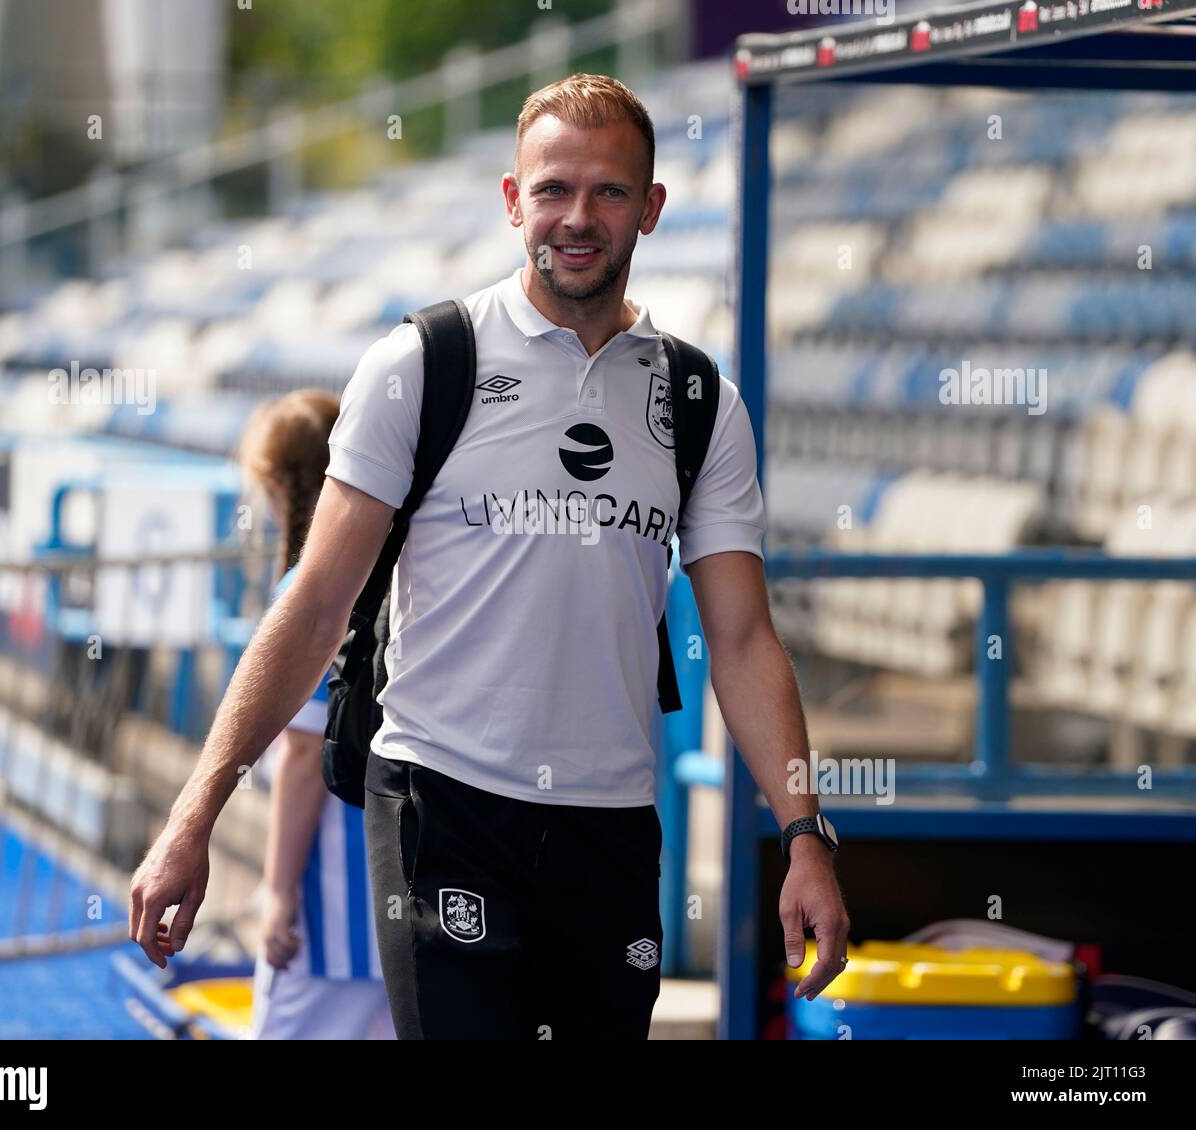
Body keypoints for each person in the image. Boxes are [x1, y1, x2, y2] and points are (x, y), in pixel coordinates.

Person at [130, 73, 850, 1040]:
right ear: (513, 200)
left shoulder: (697, 401)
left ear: (652, 208)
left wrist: (804, 835)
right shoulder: (422, 364)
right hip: (443, 801)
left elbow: (745, 641)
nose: (577, 217)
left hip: (612, 822)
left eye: (609, 191)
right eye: (552, 189)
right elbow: (313, 608)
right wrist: (195, 812)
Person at [234, 390, 394, 1040]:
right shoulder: (394, 580)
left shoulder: (306, 599)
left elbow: (303, 758)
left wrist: (275, 892)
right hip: (405, 900)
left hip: (331, 921)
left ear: (275, 488)